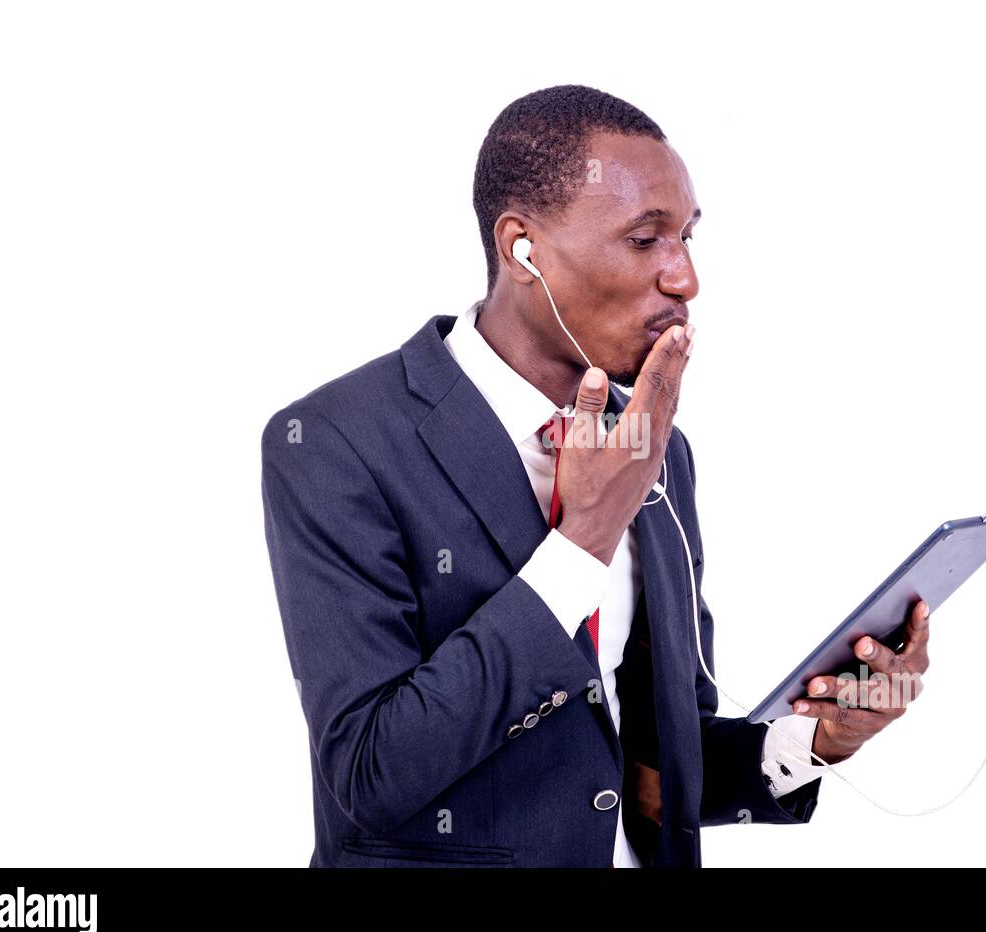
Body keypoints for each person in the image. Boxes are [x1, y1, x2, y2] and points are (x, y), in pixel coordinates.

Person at [260, 84, 930, 867]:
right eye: (646, 240)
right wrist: (581, 543)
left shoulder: (655, 446)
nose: (685, 279)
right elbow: (372, 772)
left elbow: (646, 768)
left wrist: (812, 739)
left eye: (686, 236)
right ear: (523, 249)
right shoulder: (337, 442)